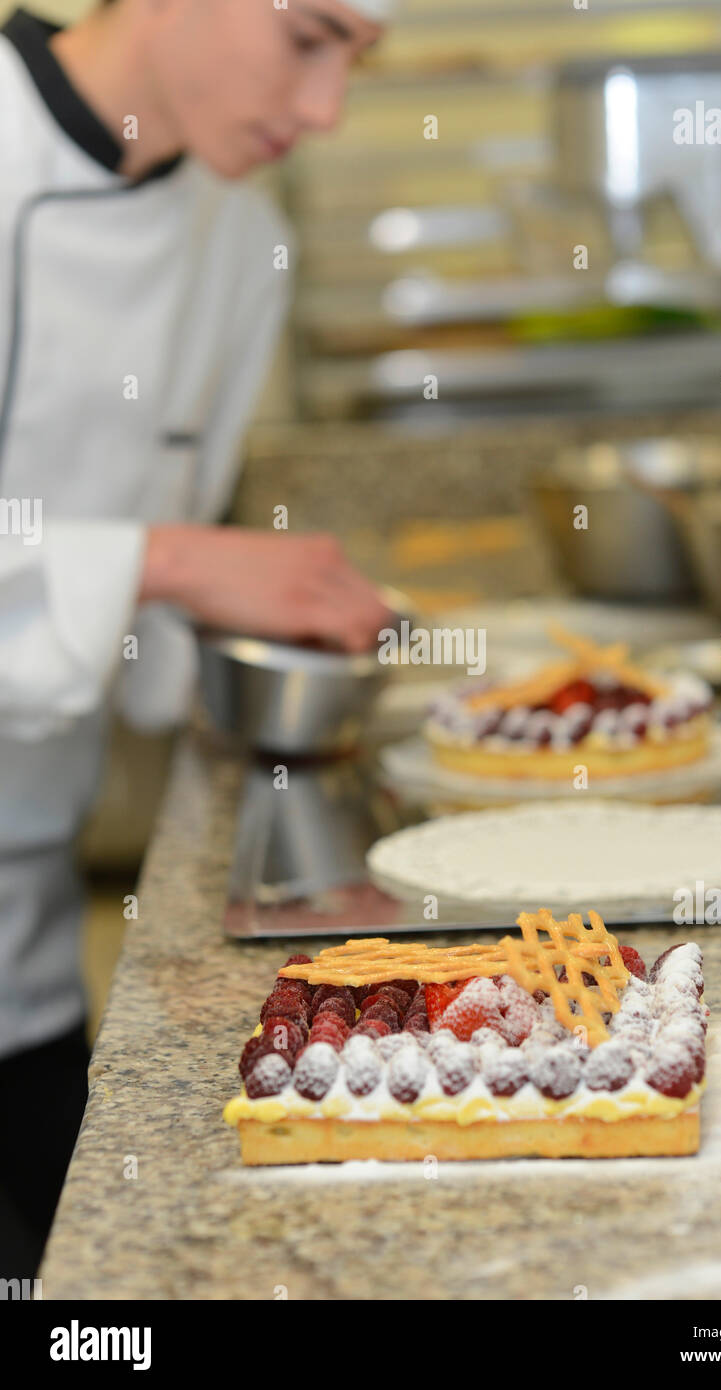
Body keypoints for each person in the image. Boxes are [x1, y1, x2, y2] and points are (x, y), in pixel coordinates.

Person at [0, 0, 394, 1275]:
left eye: (358, 61)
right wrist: (173, 561)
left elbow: (136, 629)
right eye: (306, 38)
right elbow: (159, 558)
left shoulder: (243, 241)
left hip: (26, 944)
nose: (326, 110)